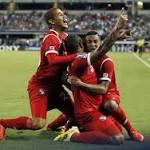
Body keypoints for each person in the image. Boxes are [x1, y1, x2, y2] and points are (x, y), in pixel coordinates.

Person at [53, 10, 130, 144]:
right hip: (88, 114)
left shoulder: (71, 63)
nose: (91, 46)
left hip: (89, 110)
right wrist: (116, 29)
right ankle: (72, 136)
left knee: (117, 128)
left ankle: (73, 126)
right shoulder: (80, 60)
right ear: (82, 45)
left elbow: (68, 80)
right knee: (117, 138)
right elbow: (101, 49)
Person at [0, 7, 77, 140]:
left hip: (56, 88)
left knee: (77, 115)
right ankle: (2, 123)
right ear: (52, 21)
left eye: (64, 14)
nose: (64, 17)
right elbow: (53, 60)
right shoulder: (51, 38)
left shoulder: (65, 37)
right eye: (60, 15)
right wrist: (76, 56)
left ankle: (54, 126)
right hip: (41, 87)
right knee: (37, 123)